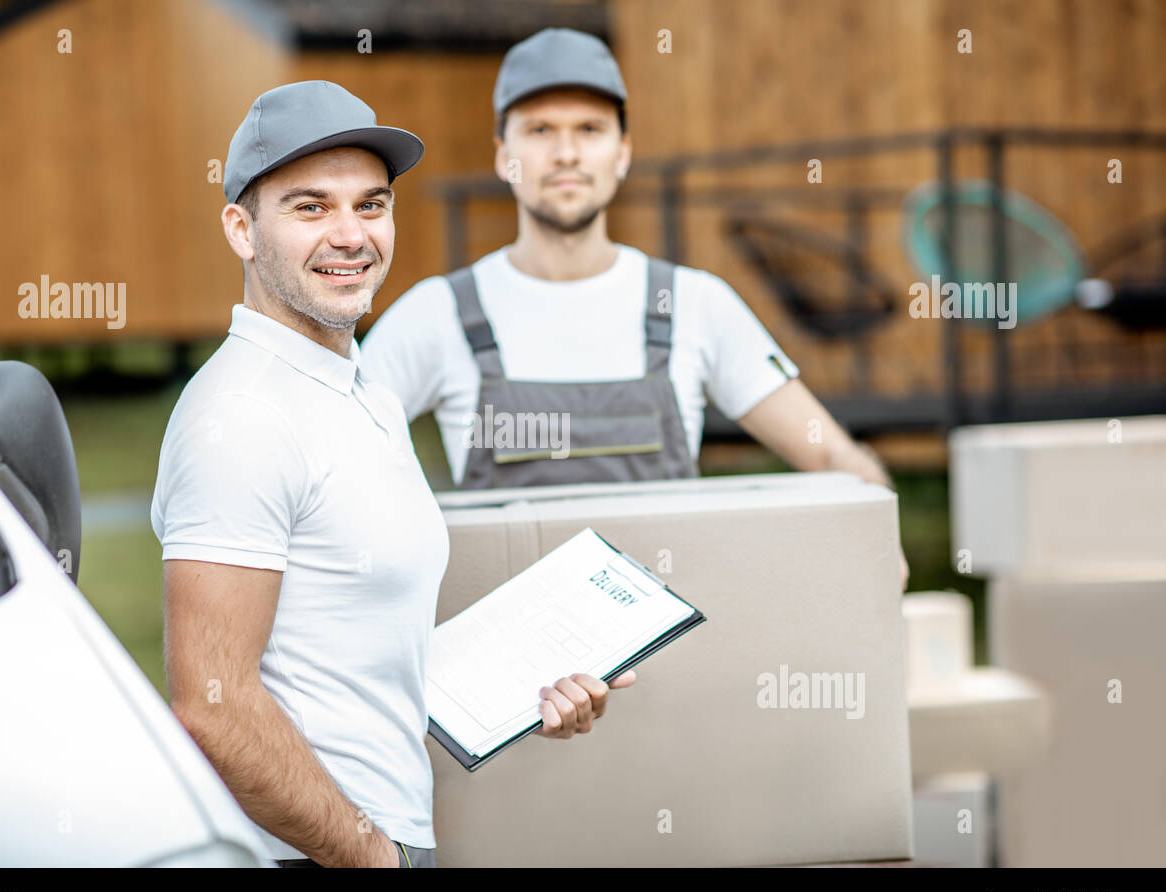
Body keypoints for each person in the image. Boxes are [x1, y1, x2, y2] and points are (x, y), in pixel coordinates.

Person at [150, 81, 634, 870]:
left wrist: (531, 684)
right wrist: (375, 855)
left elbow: (357, 633)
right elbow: (215, 706)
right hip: (311, 851)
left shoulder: (358, 384)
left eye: (371, 205)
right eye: (311, 208)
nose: (351, 235)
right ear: (240, 228)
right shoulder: (239, 417)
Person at [360, 28, 908, 586]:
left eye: (590, 130)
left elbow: (833, 459)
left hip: (669, 653)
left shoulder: (695, 305)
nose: (566, 152)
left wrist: (880, 544)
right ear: (505, 157)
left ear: (622, 154)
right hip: (506, 665)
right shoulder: (438, 314)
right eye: (540, 130)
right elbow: (334, 465)